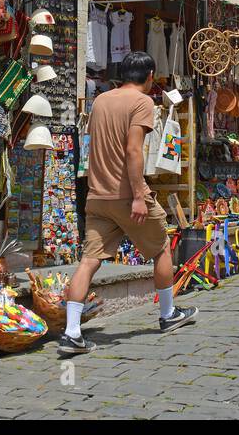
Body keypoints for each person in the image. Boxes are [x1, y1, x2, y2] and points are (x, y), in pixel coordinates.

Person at [61, 51, 197, 356]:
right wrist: (138, 195)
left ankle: (71, 332)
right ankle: (168, 314)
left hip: (97, 195)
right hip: (127, 195)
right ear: (149, 77)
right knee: (161, 247)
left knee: (89, 261)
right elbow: (134, 152)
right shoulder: (142, 102)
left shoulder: (101, 101)